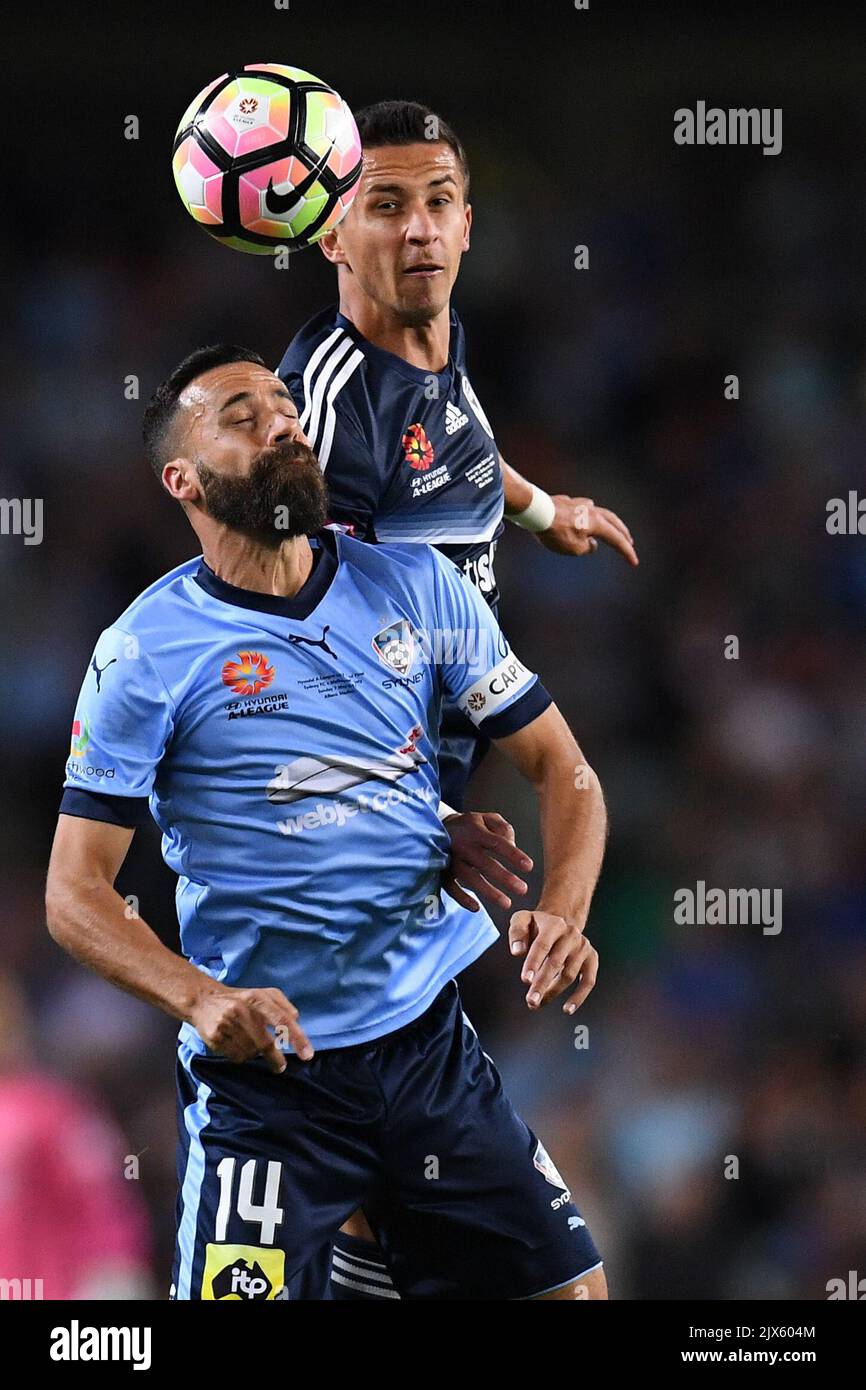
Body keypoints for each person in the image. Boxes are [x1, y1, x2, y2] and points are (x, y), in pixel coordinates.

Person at [45, 345, 608, 1300]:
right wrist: (200, 999)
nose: (283, 423)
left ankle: (366, 1253)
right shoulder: (145, 652)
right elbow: (73, 893)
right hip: (269, 1092)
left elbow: (567, 769)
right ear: (182, 479)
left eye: (284, 403)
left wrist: (565, 906)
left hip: (428, 1052)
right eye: (240, 415)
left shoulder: (418, 587)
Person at [278, 97, 633, 1294]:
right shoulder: (323, 415)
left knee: (402, 1233)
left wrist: (545, 512)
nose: (416, 229)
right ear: (332, 234)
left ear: (469, 223)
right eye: (384, 205)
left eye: (436, 203)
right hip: (326, 863)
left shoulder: (435, 353)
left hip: (400, 864)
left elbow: (460, 438)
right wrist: (413, 817)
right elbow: (275, 658)